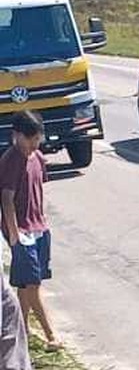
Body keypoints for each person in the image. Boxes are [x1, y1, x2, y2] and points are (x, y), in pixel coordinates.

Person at [0, 111, 57, 349]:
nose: (33, 143)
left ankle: (21, 331)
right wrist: (13, 234)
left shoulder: (38, 158)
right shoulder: (11, 160)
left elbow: (39, 190)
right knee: (33, 285)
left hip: (39, 227)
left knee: (26, 284)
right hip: (21, 232)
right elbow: (6, 198)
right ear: (16, 136)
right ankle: (52, 335)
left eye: (37, 138)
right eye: (29, 138)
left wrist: (43, 221)